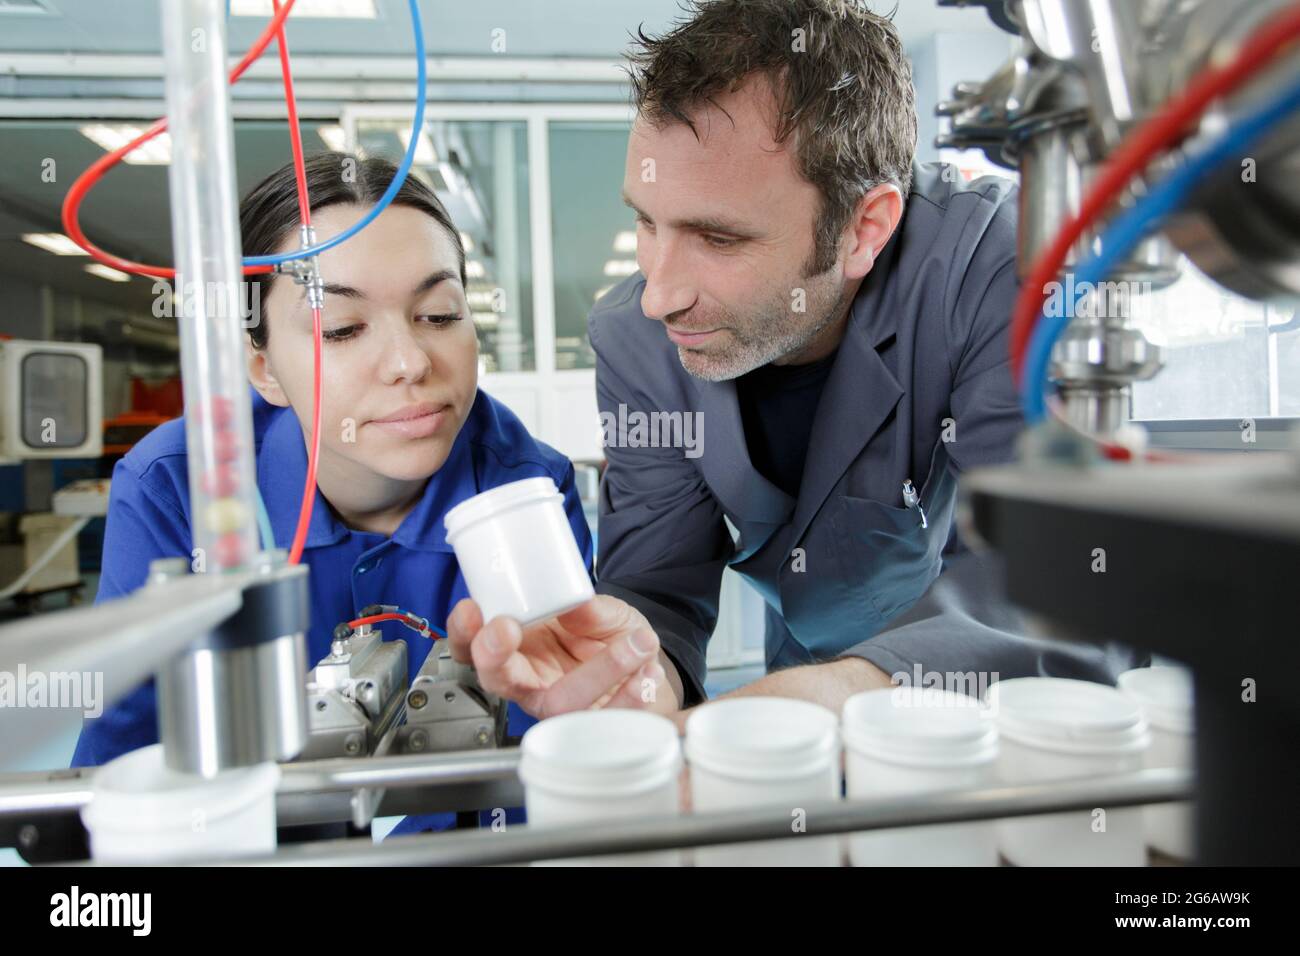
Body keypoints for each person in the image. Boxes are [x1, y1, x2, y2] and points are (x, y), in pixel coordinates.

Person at [449, 0, 1140, 724]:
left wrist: (840, 695)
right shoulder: (633, 337)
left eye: (717, 238)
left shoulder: (999, 266)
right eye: (646, 221)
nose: (658, 296)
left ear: (864, 228)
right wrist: (632, 673)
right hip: (804, 663)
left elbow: (1065, 576)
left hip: (978, 688)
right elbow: (656, 589)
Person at [72, 152, 668, 833]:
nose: (411, 362)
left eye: (440, 314)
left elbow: (540, 773)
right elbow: (109, 795)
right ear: (262, 366)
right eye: (343, 329)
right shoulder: (177, 492)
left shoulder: (521, 488)